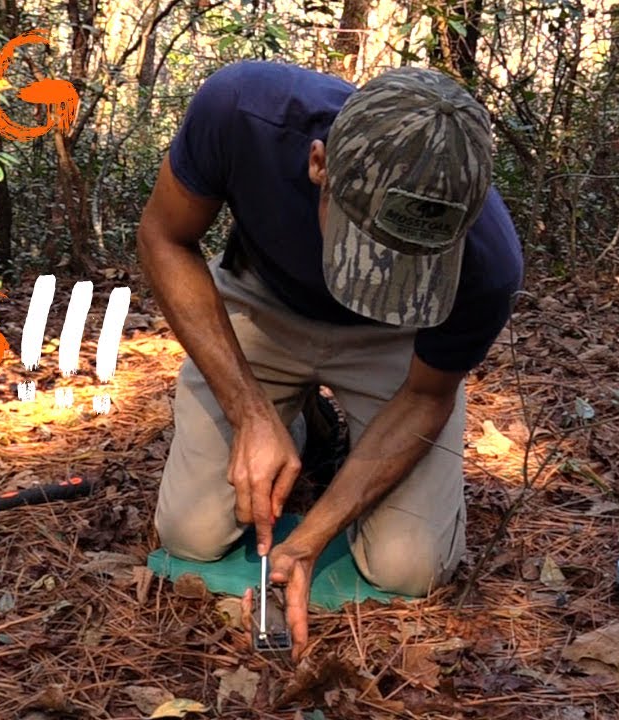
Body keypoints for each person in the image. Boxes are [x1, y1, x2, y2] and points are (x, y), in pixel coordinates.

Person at [136, 61, 524, 658]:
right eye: (368, 248)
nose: (382, 272)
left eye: (409, 261)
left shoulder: (488, 262)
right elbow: (164, 237)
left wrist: (309, 539)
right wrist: (249, 413)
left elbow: (425, 395)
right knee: (190, 534)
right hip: (262, 307)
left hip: (395, 339)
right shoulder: (243, 112)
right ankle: (293, 420)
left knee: (408, 567)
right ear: (319, 164)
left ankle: (314, 425)